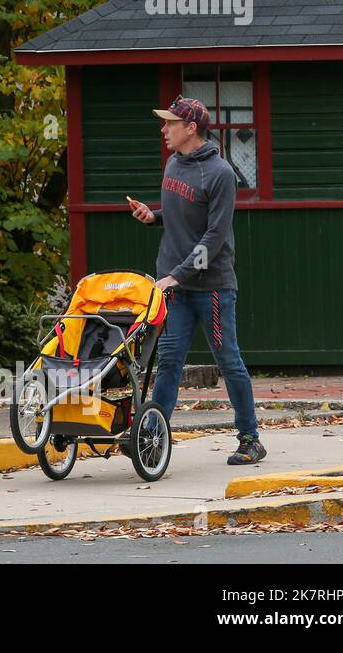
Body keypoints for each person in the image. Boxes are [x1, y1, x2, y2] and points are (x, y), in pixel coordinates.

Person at [126, 95, 265, 466]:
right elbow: (179, 217)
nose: (163, 129)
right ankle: (153, 438)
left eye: (169, 123)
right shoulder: (173, 163)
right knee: (169, 360)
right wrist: (152, 217)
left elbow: (214, 237)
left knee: (228, 360)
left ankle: (250, 439)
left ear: (191, 128)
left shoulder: (221, 174)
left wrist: (176, 276)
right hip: (174, 286)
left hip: (213, 288)